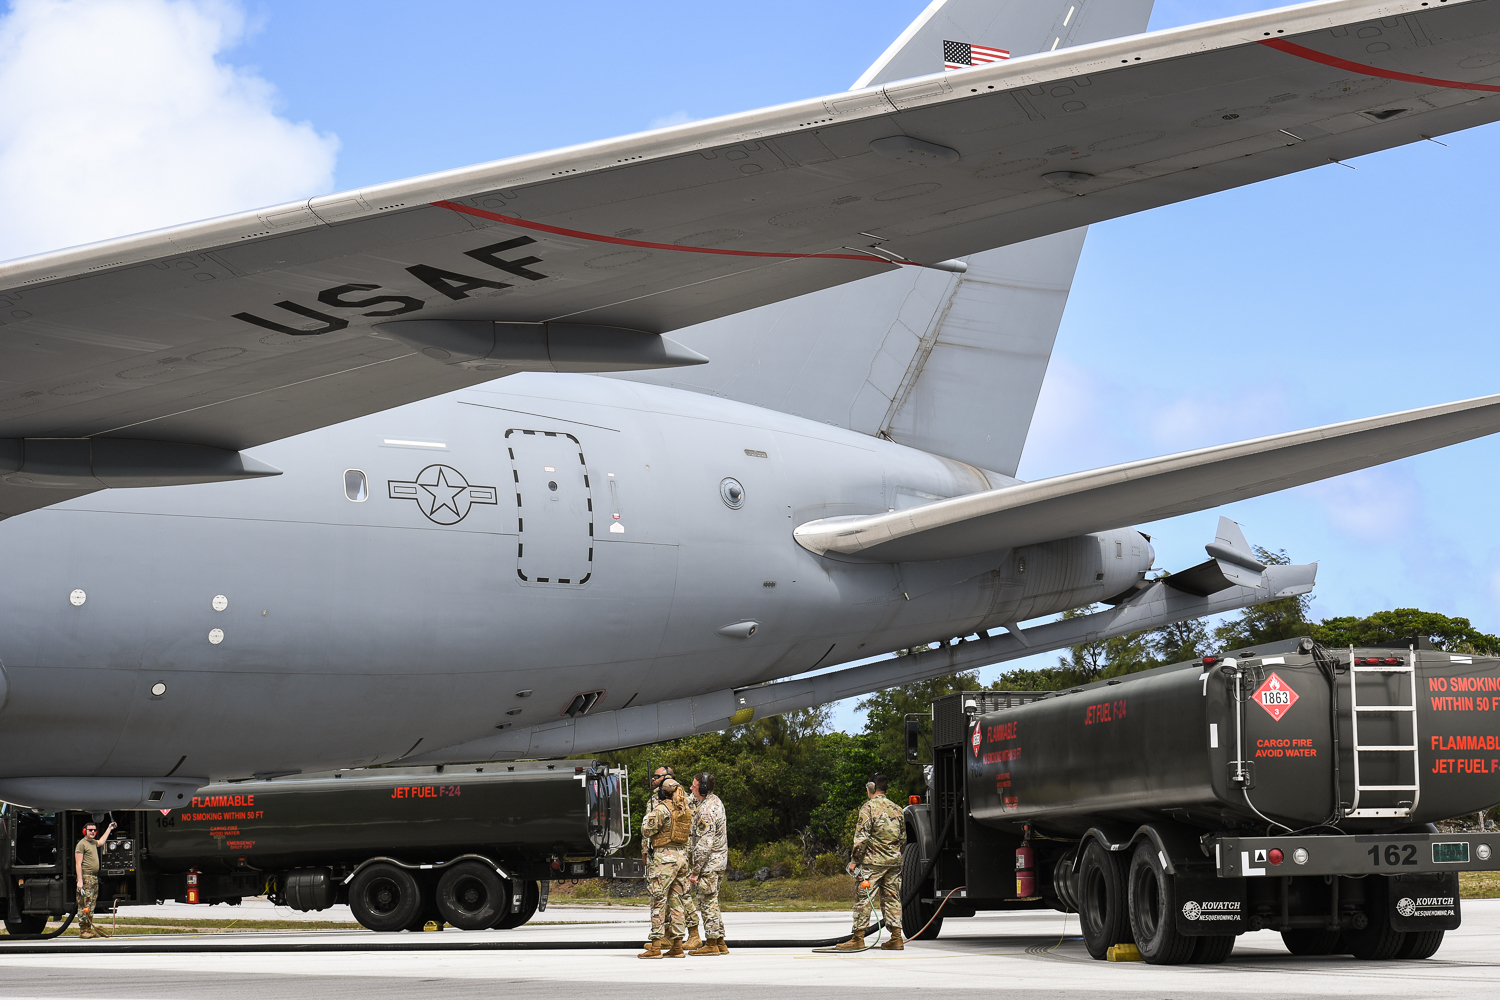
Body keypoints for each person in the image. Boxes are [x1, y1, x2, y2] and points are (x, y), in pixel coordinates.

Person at [835, 773, 906, 952]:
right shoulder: (897, 809)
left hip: (872, 863)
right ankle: (896, 938)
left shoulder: (868, 808)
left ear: (871, 788)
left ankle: (858, 938)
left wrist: (854, 861)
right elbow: (903, 839)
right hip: (894, 862)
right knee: (892, 898)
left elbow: (861, 838)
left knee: (864, 898)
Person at [637, 776, 692, 959]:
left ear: (663, 793)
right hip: (681, 857)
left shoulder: (662, 809)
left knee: (658, 901)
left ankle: (655, 946)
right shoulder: (685, 809)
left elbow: (646, 830)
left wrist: (649, 814)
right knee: (677, 902)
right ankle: (677, 945)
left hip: (664, 859)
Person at [687, 772, 729, 956]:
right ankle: (720, 942)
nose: (691, 788)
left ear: (703, 789)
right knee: (713, 901)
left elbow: (705, 844)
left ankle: (711, 944)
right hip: (718, 862)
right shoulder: (715, 801)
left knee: (707, 903)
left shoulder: (705, 810)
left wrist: (695, 871)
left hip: (709, 864)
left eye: (694, 786)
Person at [74, 818, 116, 939]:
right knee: (85, 904)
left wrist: (109, 828)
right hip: (86, 878)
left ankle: (88, 929)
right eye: (90, 830)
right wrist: (80, 881)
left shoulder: (92, 843)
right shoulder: (81, 844)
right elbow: (78, 864)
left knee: (91, 905)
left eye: (94, 830)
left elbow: (101, 842)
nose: (93, 832)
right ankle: (83, 930)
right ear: (84, 831)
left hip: (93, 878)